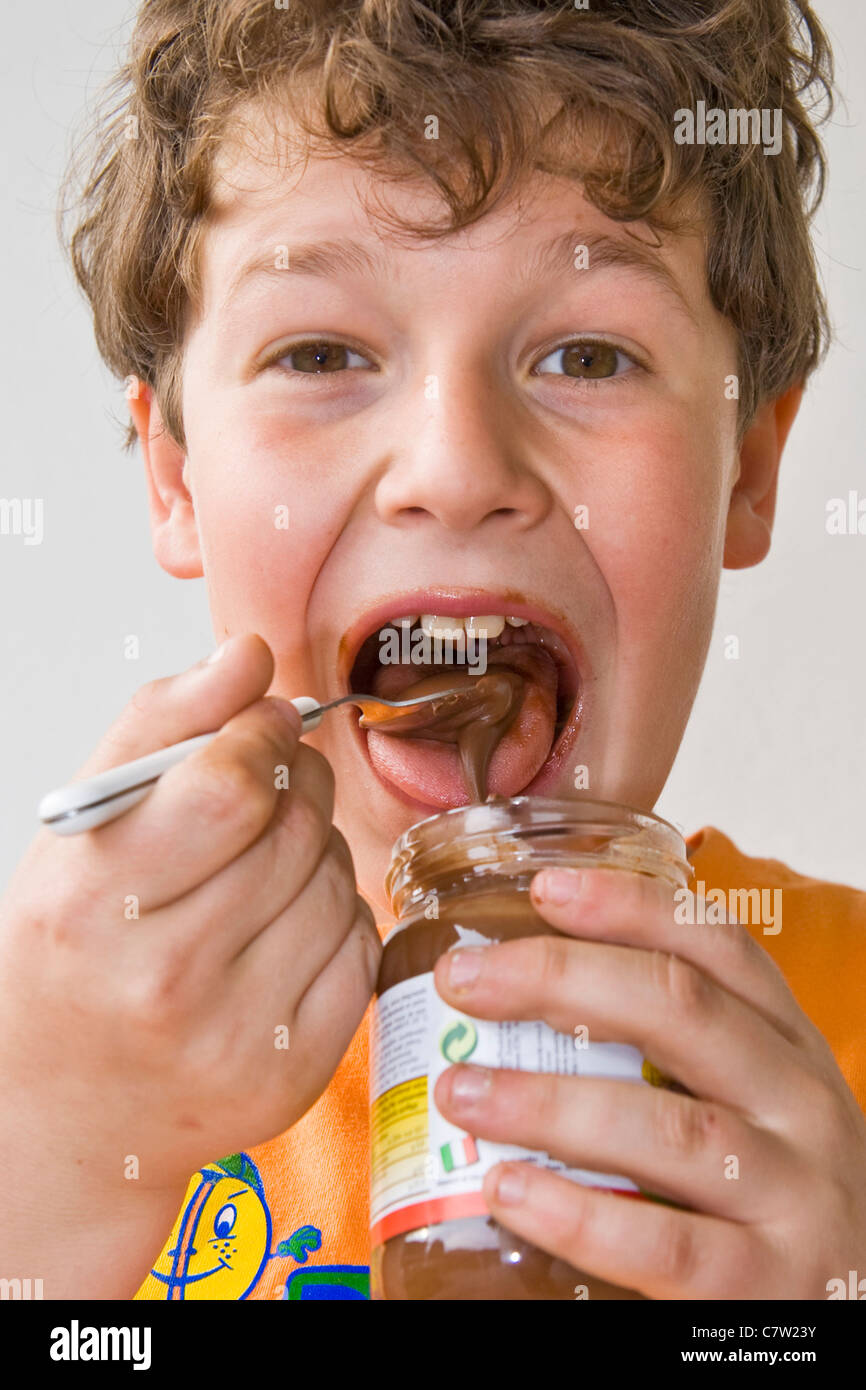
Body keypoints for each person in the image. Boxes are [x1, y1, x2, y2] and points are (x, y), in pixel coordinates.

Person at [2, 0, 864, 1300]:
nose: (456, 469)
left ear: (747, 469)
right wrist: (50, 1183)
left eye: (586, 354)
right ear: (174, 479)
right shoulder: (62, 1068)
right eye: (321, 351)